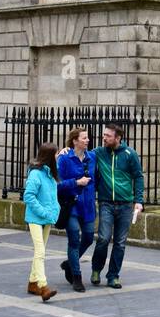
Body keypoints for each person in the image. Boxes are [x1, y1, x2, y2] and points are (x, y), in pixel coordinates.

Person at [87, 123, 143, 289]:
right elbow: (81, 154)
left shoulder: (129, 154)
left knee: (120, 242)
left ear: (118, 138)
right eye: (104, 135)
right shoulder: (99, 152)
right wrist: (65, 151)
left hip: (126, 205)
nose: (104, 138)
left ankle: (113, 276)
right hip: (106, 203)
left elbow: (138, 177)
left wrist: (138, 201)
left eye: (108, 136)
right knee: (103, 238)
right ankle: (96, 269)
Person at [56, 127, 97, 292]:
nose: (87, 140)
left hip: (88, 206)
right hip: (71, 206)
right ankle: (77, 276)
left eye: (87, 138)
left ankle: (69, 264)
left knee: (88, 238)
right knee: (73, 240)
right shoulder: (65, 158)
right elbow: (57, 184)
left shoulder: (92, 157)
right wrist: (76, 182)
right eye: (84, 138)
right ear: (75, 141)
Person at [23, 142, 60, 301]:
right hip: (36, 218)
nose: (58, 156)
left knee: (40, 250)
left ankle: (32, 283)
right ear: (50, 156)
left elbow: (52, 197)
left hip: (47, 217)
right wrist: (44, 212)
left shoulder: (50, 174)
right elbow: (28, 196)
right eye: (56, 154)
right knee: (40, 251)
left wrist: (55, 210)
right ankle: (43, 286)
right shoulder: (36, 174)